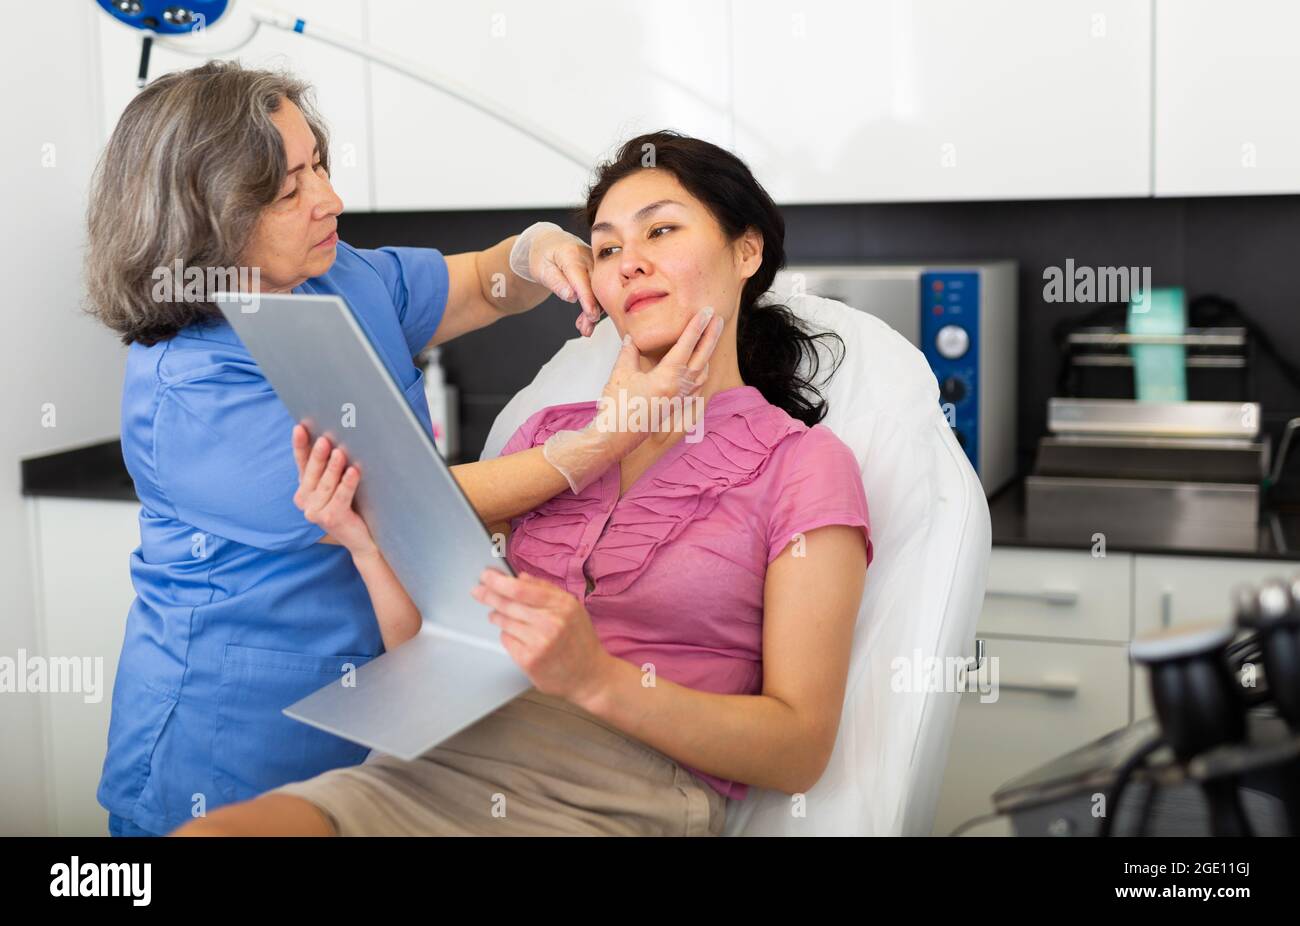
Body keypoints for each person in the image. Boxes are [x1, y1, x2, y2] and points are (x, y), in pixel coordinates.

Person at [173, 130, 873, 837]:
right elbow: (433, 643)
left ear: (746, 251)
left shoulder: (801, 465)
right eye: (605, 249)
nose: (629, 264)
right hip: (423, 760)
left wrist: (596, 677)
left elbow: (799, 749)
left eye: (660, 230)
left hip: (612, 793)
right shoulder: (545, 438)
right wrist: (365, 545)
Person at [85, 61, 721, 837]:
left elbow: (483, 283)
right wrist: (609, 436)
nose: (329, 199)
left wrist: (531, 254)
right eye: (290, 191)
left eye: (317, 163)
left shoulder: (328, 276)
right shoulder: (191, 389)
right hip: (231, 738)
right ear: (210, 218)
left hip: (384, 718)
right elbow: (396, 504)